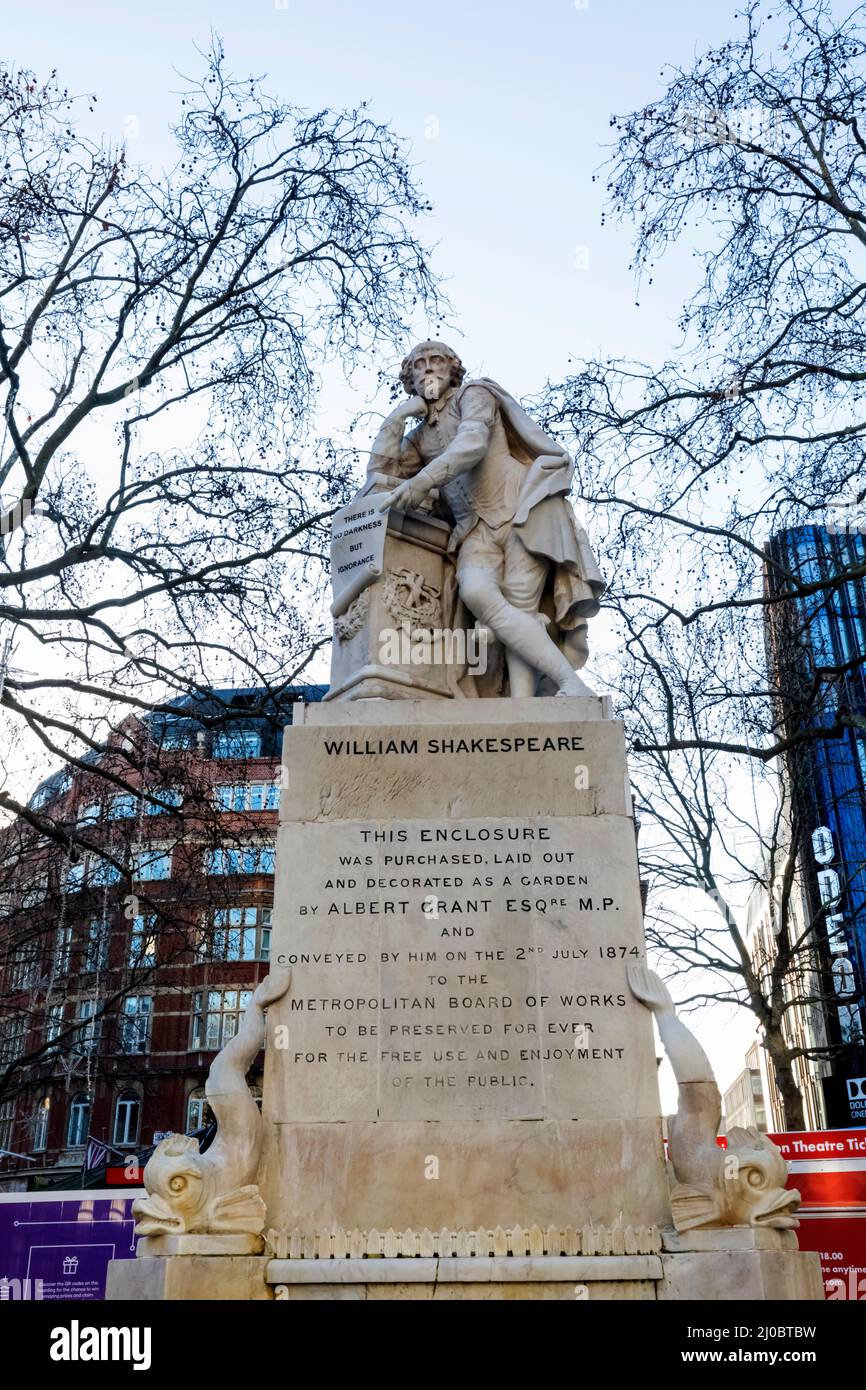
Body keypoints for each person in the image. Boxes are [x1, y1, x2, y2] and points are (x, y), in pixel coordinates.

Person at [368, 340, 605, 697]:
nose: (429, 368)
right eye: (419, 365)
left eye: (437, 361)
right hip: (473, 530)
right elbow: (380, 477)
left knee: (519, 604)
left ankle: (527, 705)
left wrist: (424, 481)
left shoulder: (474, 395)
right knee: (478, 592)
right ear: (410, 379)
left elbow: (473, 443)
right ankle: (568, 684)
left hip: (520, 509)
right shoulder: (418, 438)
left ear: (453, 371)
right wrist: (397, 418)